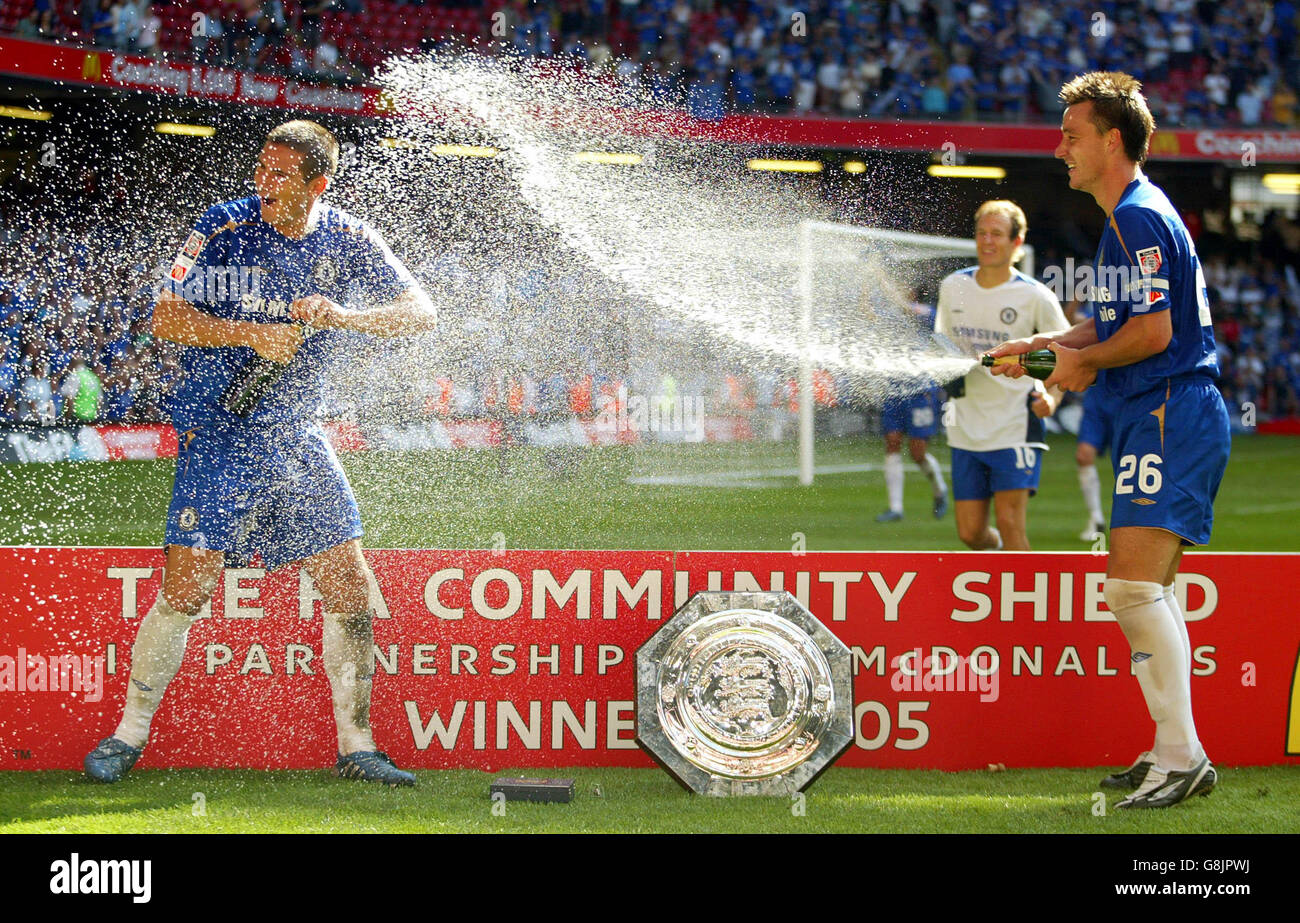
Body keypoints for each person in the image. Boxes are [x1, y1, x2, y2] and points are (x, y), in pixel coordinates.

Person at [84, 120, 437, 787]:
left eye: (280, 175)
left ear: (317, 184)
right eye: (260, 170)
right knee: (187, 587)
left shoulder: (351, 239)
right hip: (218, 432)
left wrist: (343, 316)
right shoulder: (220, 226)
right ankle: (128, 734)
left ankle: (358, 745)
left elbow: (422, 312)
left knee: (349, 585)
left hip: (298, 435)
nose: (263, 183)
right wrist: (249, 332)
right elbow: (164, 316)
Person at [988, 72, 1230, 808]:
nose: (1059, 147)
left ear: (1112, 140)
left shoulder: (1139, 217)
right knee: (1143, 587)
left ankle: (1182, 754)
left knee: (1128, 587)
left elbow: (1153, 334)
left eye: (1072, 134)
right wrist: (1051, 342)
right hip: (1156, 411)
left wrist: (1079, 363)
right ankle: (1173, 748)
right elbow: (1108, 323)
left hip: (1170, 409)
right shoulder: (1130, 216)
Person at [935, 200, 1068, 550]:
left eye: (996, 234)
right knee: (970, 533)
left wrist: (1052, 399)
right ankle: (1000, 571)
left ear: (1016, 243)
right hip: (965, 424)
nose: (987, 241)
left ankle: (1023, 603)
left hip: (1015, 423)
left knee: (1011, 524)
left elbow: (1067, 356)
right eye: (981, 233)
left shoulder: (1035, 296)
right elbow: (941, 344)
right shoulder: (952, 287)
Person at [876, 297, 948, 523]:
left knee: (917, 453)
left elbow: (919, 315)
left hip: (920, 394)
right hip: (893, 391)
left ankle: (939, 489)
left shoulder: (926, 313)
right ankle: (895, 508)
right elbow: (868, 314)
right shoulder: (889, 315)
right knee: (892, 442)